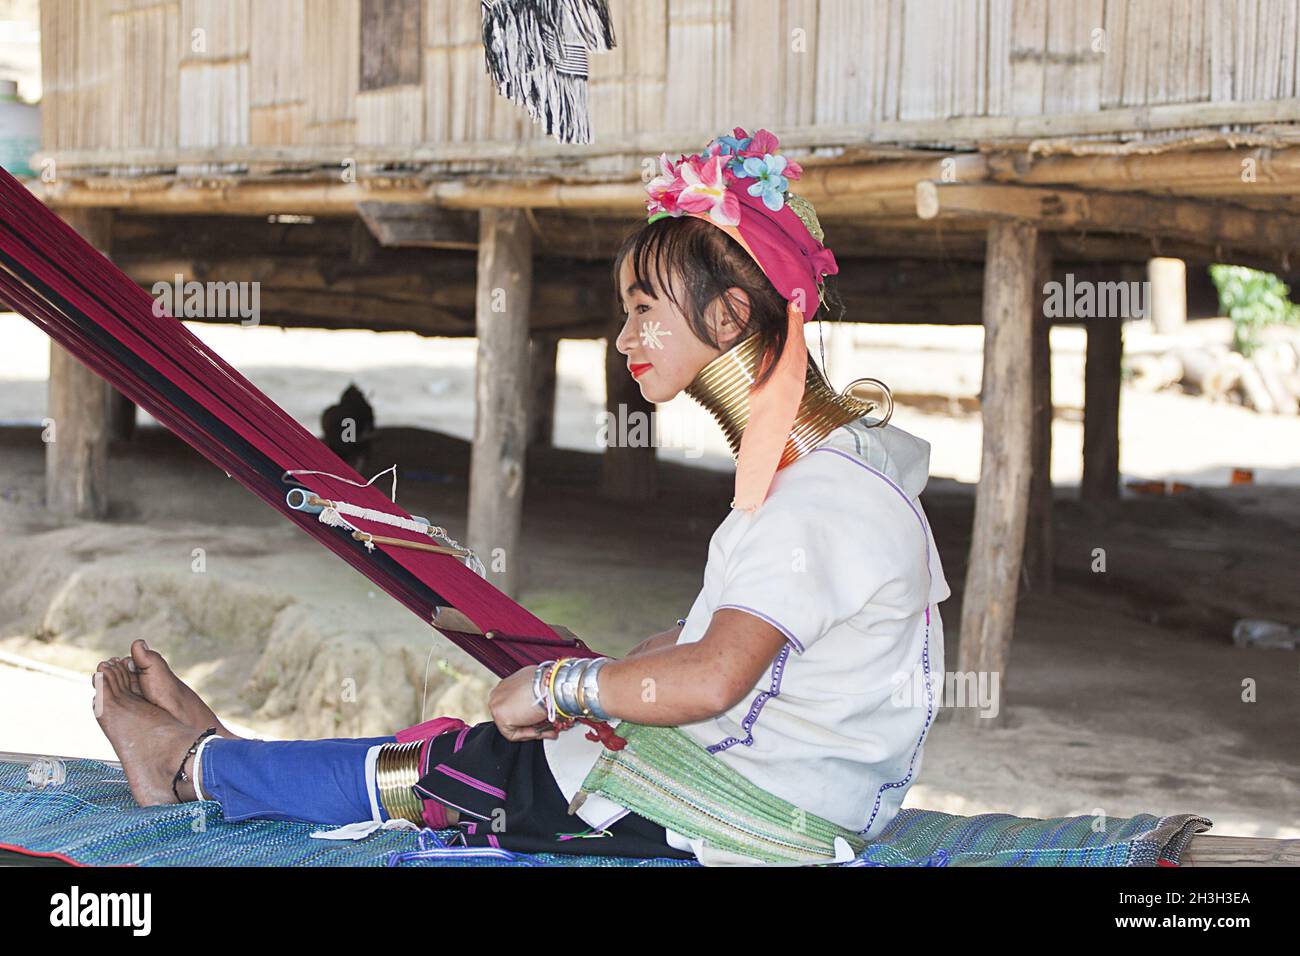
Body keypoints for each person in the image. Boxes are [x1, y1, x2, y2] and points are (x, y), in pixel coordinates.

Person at [90, 127, 950, 866]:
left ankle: (188, 768)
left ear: (726, 320)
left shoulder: (818, 502)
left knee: (458, 770)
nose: (624, 339)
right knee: (497, 744)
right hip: (798, 785)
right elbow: (727, 640)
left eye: (644, 310)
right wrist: (605, 679)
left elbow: (717, 674)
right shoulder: (847, 466)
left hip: (750, 811)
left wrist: (561, 689)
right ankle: (234, 759)